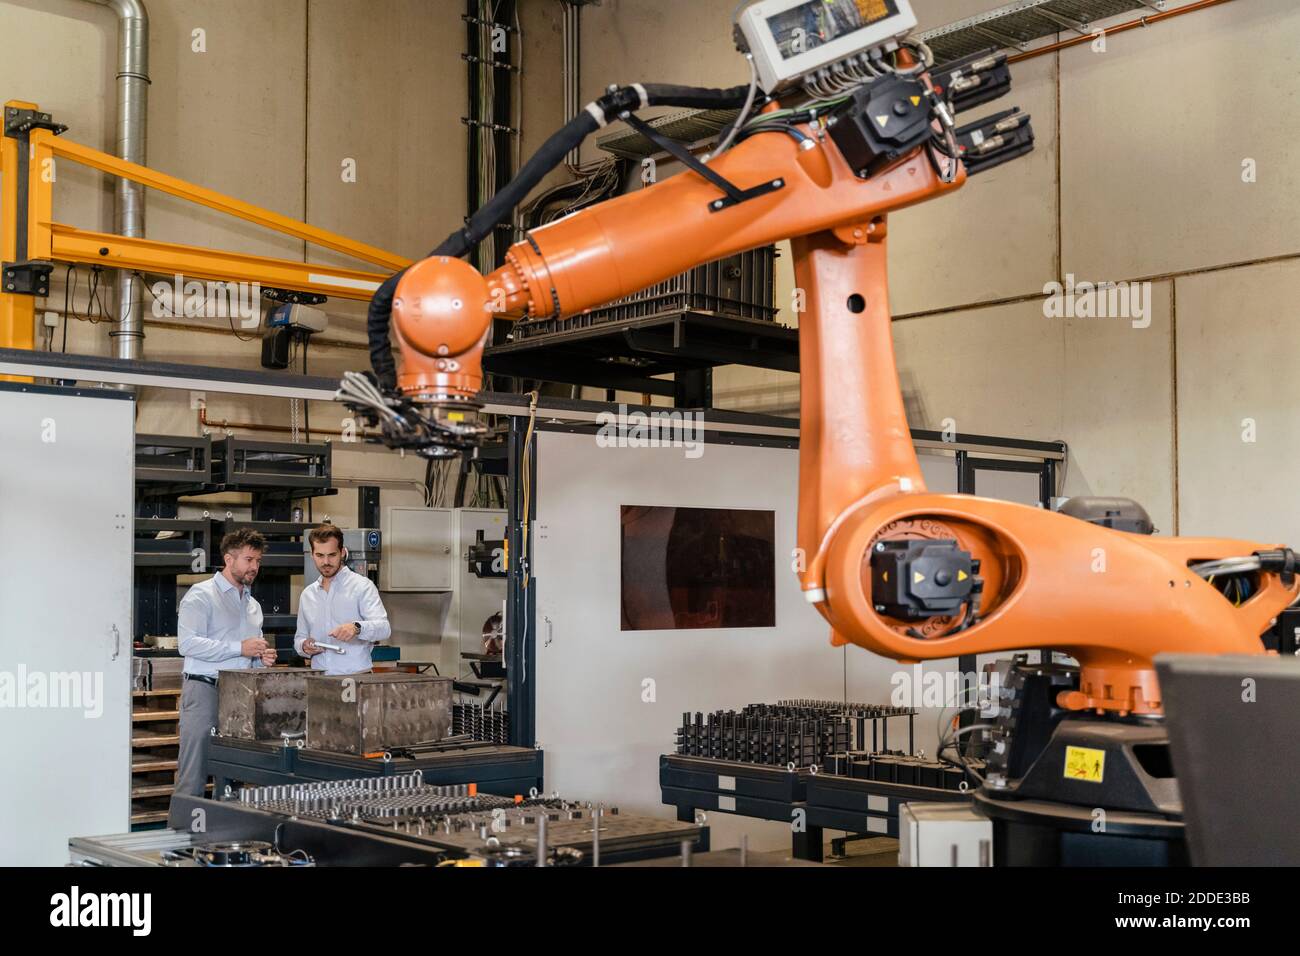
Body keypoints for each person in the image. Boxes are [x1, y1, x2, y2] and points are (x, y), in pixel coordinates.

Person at [172, 528, 275, 809]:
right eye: (248, 559)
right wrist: (240, 648)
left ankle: (224, 844)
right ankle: (180, 847)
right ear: (229, 559)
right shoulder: (201, 595)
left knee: (232, 775)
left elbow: (246, 653)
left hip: (239, 696)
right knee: (193, 773)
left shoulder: (253, 605)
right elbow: (188, 644)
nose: (254, 566)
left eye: (257, 560)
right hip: (205, 689)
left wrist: (260, 657)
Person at [295, 523, 391, 675]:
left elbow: (384, 629)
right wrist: (304, 646)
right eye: (320, 555)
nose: (326, 562)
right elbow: (300, 637)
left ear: (342, 552)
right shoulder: (308, 595)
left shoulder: (362, 586)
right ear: (312, 554)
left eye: (332, 555)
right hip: (319, 680)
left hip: (356, 680)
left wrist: (357, 628)